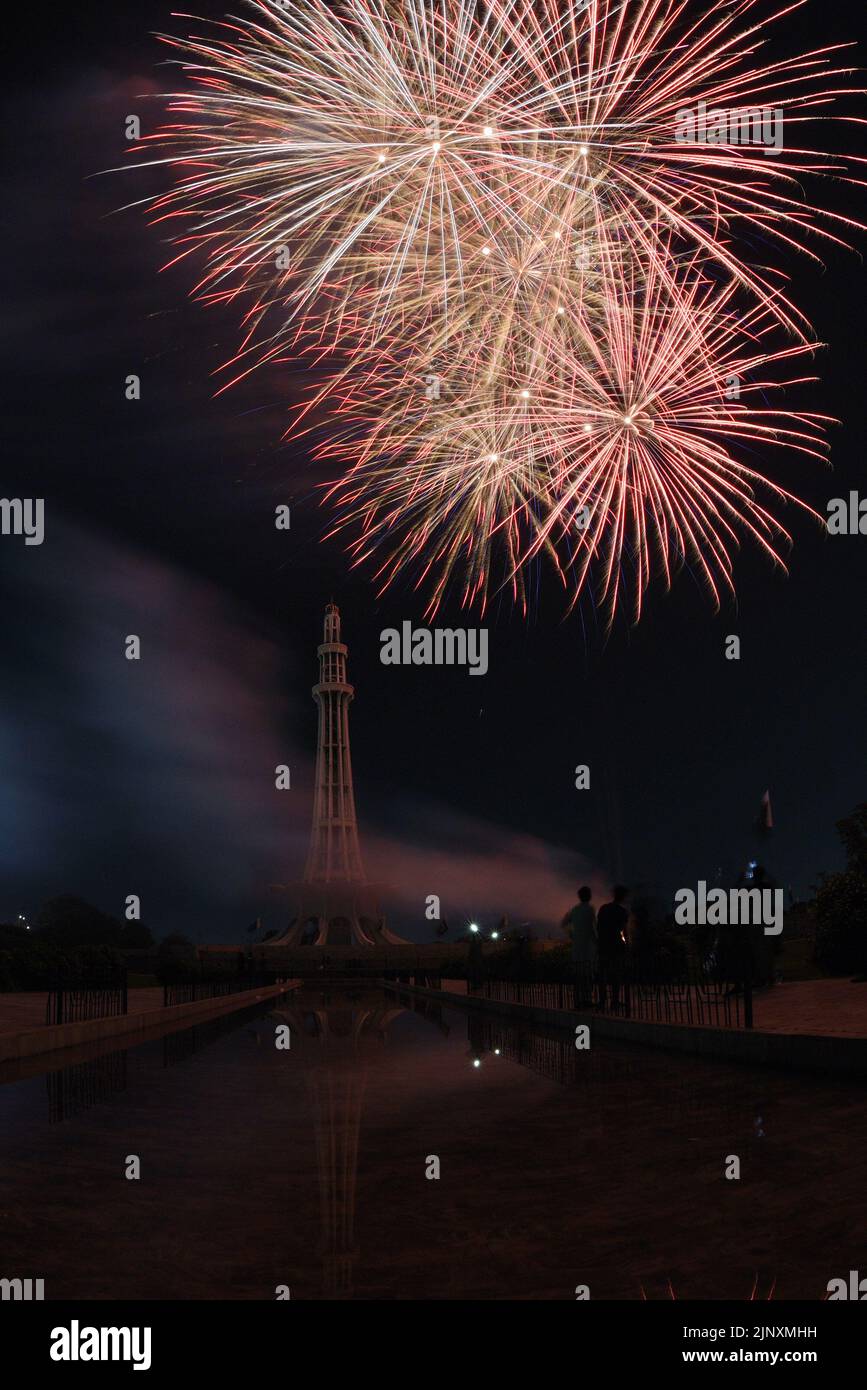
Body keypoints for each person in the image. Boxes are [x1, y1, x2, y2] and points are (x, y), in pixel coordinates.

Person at [562, 886, 597, 1007]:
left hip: (577, 947)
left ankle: (577, 1001)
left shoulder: (574, 910)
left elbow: (563, 923)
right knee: (588, 974)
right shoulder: (590, 909)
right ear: (589, 896)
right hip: (588, 946)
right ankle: (587, 1000)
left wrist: (571, 934)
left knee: (578, 974)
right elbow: (593, 927)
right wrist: (597, 941)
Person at [596, 886, 630, 1011]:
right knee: (616, 974)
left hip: (603, 944)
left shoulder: (603, 908)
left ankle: (602, 1001)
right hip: (615, 944)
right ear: (623, 897)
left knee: (602, 974)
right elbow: (624, 930)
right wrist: (627, 944)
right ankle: (614, 1002)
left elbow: (598, 926)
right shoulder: (622, 911)